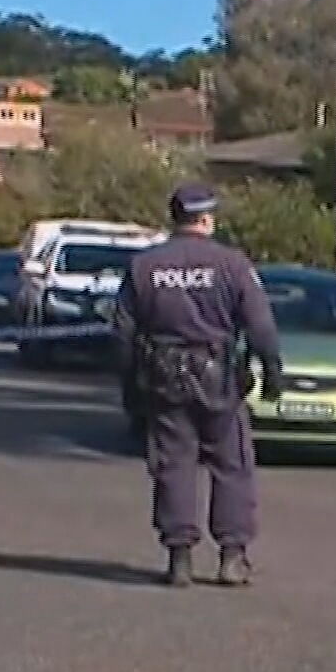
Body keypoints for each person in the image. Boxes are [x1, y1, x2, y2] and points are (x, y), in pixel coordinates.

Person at [112, 182, 284, 587]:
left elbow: (122, 332)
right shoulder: (232, 265)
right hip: (218, 378)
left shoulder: (145, 267)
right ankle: (232, 555)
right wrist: (272, 370)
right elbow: (259, 324)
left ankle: (180, 557)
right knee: (232, 465)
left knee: (174, 465)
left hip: (164, 378)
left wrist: (129, 384)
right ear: (206, 218)